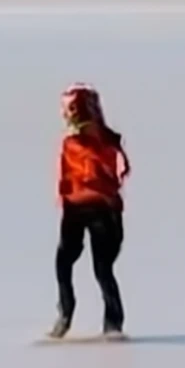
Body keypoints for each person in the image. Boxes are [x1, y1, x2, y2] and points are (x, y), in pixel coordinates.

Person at [48, 82, 131, 339]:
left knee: (101, 267)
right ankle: (67, 314)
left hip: (100, 208)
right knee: (66, 263)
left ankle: (112, 323)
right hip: (76, 206)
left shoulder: (98, 142)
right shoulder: (75, 142)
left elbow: (107, 163)